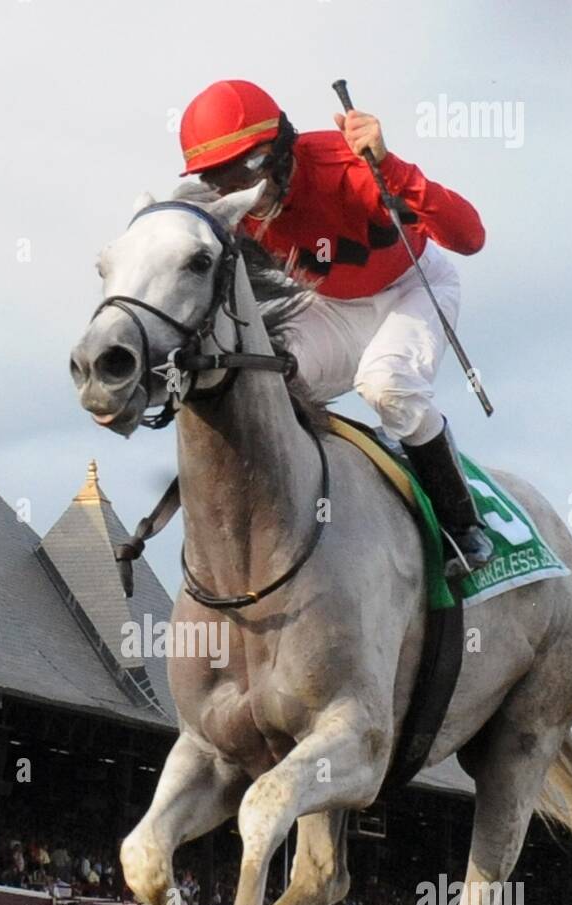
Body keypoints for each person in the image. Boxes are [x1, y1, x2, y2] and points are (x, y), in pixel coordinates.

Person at [178, 78, 491, 577]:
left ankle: (463, 525)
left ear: (282, 148)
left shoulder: (349, 164)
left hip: (411, 286)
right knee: (262, 381)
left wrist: (389, 167)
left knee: (387, 385)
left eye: (251, 168)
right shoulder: (223, 206)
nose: (244, 191)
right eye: (223, 178)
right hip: (329, 305)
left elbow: (471, 236)